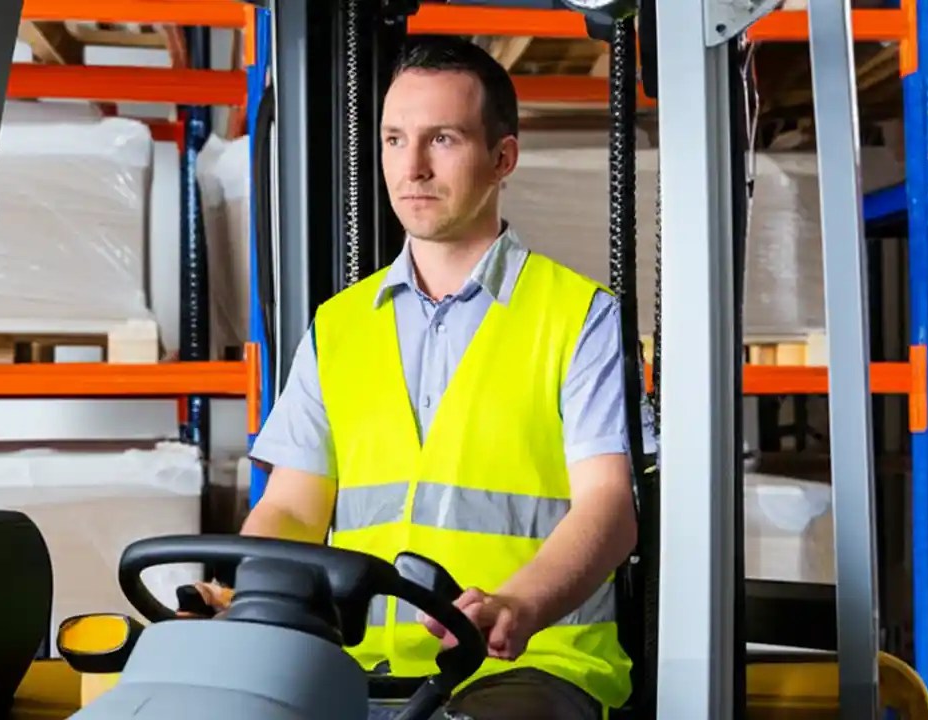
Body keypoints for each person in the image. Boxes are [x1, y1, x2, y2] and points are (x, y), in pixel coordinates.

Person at [190, 35, 653, 720]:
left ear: (503, 158)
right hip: (356, 665)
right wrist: (247, 594)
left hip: (529, 662)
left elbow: (609, 509)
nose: (412, 168)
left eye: (442, 139)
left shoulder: (579, 317)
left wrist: (519, 605)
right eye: (394, 140)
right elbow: (291, 507)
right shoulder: (339, 326)